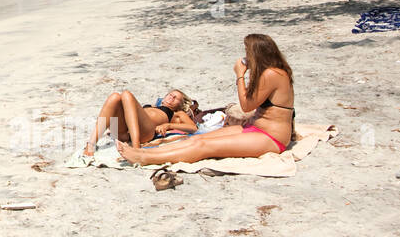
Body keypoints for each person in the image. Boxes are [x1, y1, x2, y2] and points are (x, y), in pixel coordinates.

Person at [119, 34, 294, 164]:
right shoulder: (270, 73)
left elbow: (247, 105)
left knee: (204, 147)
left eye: (248, 53)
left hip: (270, 136)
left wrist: (240, 75)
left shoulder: (272, 74)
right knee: (197, 140)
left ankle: (142, 156)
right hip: (255, 128)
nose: (245, 57)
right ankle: (142, 153)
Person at [83, 88, 199, 156]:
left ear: (180, 104)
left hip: (145, 132)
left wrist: (168, 125)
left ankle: (136, 147)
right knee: (114, 97)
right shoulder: (151, 106)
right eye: (170, 95)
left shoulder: (177, 114)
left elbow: (193, 128)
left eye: (175, 98)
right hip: (123, 132)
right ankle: (91, 144)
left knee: (126, 94)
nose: (171, 98)